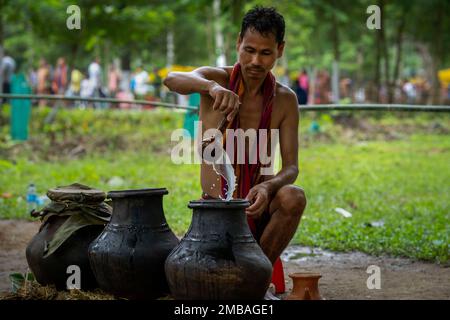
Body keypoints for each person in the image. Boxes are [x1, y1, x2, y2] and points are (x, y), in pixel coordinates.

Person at [164, 6, 306, 296]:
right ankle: (250, 285)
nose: (255, 61)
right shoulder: (216, 80)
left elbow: (291, 167)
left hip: (259, 204)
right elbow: (171, 80)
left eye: (265, 53)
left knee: (294, 196)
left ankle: (254, 280)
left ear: (280, 50)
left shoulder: (285, 100)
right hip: (217, 211)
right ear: (238, 42)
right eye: (249, 50)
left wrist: (268, 187)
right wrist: (212, 90)